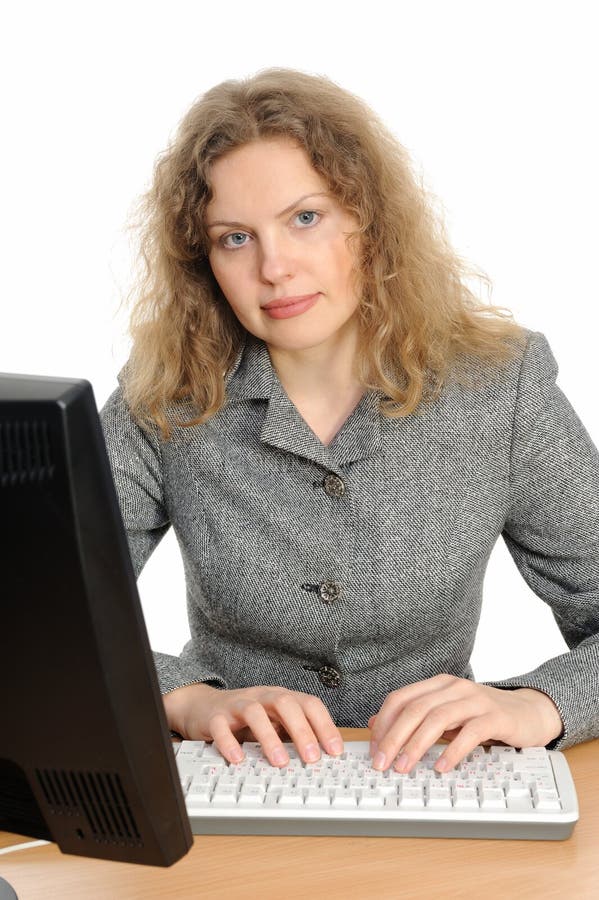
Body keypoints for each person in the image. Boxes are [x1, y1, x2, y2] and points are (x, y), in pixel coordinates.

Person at [101, 67, 599, 777]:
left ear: (368, 223)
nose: (274, 267)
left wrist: (537, 704)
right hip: (232, 781)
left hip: (433, 780)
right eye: (234, 238)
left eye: (305, 219)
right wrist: (184, 699)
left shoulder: (498, 385)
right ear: (203, 261)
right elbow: (36, 617)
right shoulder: (168, 396)